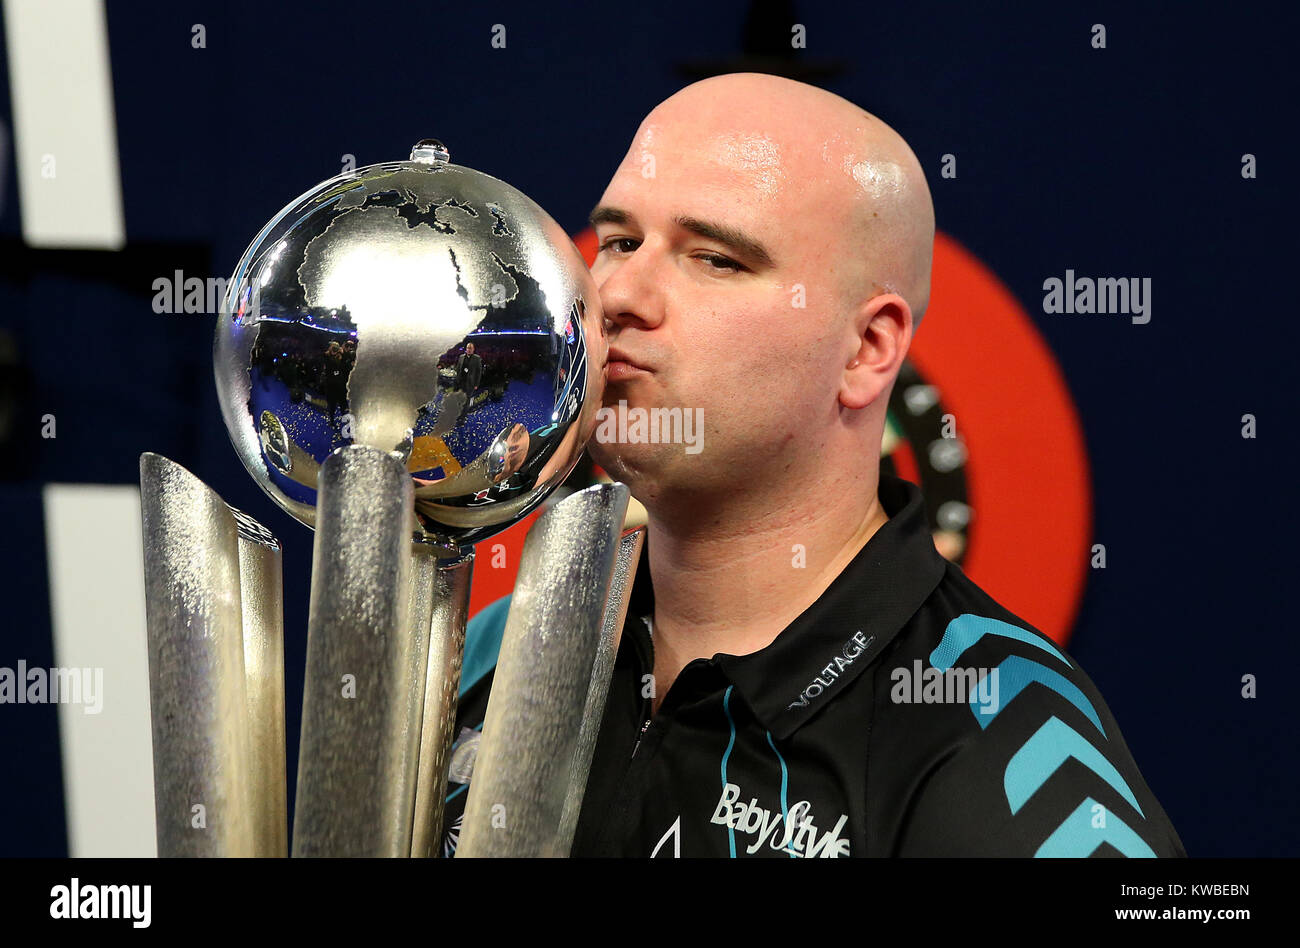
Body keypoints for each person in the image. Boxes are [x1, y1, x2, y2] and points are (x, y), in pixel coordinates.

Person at [439, 72, 1185, 858]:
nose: (619, 291)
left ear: (867, 350)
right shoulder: (504, 645)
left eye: (716, 259)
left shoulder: (1004, 732)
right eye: (620, 241)